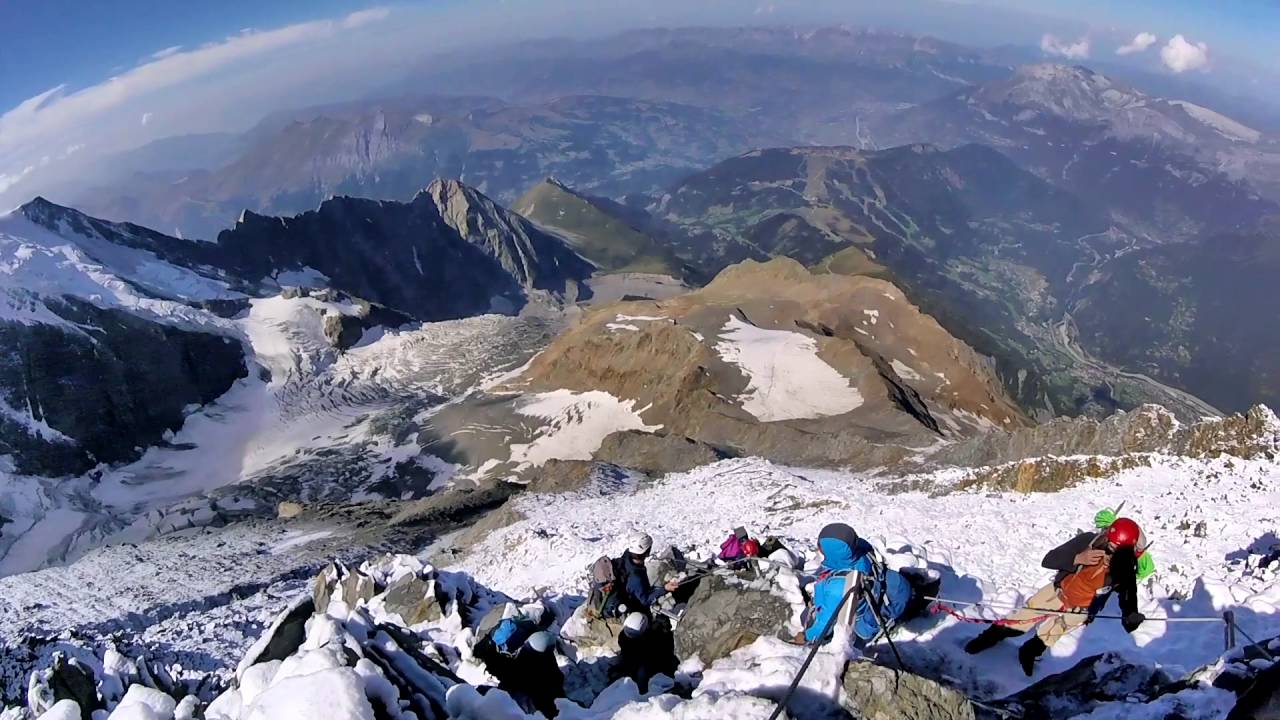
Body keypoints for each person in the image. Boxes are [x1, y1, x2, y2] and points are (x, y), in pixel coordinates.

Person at [964, 517, 1150, 676]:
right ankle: (985, 640)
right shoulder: (1087, 542)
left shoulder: (1124, 565)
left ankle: (1028, 653)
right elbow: (1049, 559)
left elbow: (1128, 591)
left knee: (1050, 635)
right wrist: (1077, 559)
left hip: (1081, 609)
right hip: (1056, 592)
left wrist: (1131, 613)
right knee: (1018, 621)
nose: (1111, 554)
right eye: (1110, 548)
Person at [796, 523, 913, 646]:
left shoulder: (838, 586)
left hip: (860, 620)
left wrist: (806, 636)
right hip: (887, 590)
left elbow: (825, 625)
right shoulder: (861, 552)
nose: (818, 547)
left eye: (821, 545)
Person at [610, 612, 679, 692]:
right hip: (643, 667)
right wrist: (665, 629)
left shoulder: (623, 636)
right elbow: (661, 648)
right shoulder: (646, 642)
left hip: (631, 662)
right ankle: (643, 691)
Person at [618, 532, 680, 617]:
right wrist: (665, 589)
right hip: (636, 609)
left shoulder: (627, 557)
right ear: (646, 553)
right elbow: (645, 601)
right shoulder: (636, 578)